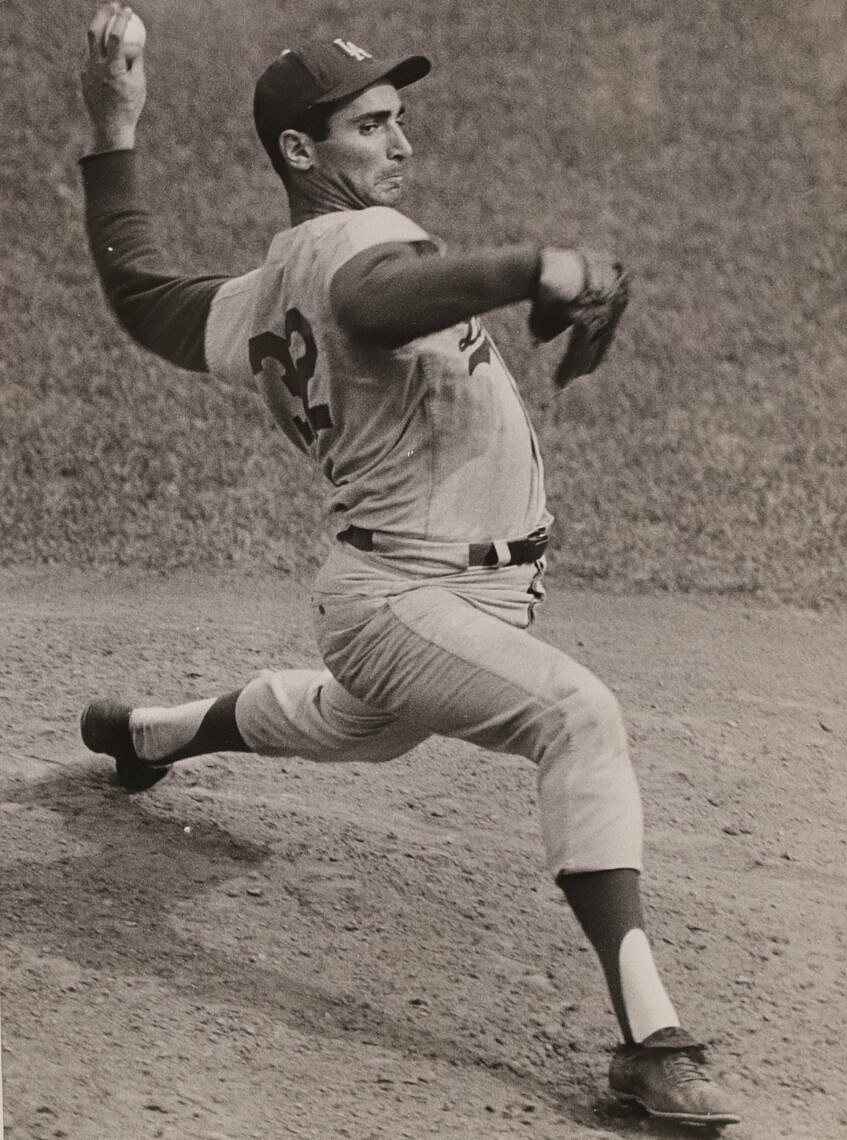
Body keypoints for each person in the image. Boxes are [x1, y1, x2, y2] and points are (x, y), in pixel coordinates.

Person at [78, 3, 741, 1126]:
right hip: (405, 596)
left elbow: (142, 294)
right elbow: (375, 303)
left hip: (417, 597)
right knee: (579, 716)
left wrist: (114, 123)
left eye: (400, 119)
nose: (403, 144)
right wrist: (534, 264)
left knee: (356, 727)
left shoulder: (265, 285)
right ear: (303, 152)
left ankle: (150, 732)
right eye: (374, 125)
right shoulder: (346, 253)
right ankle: (651, 1039)